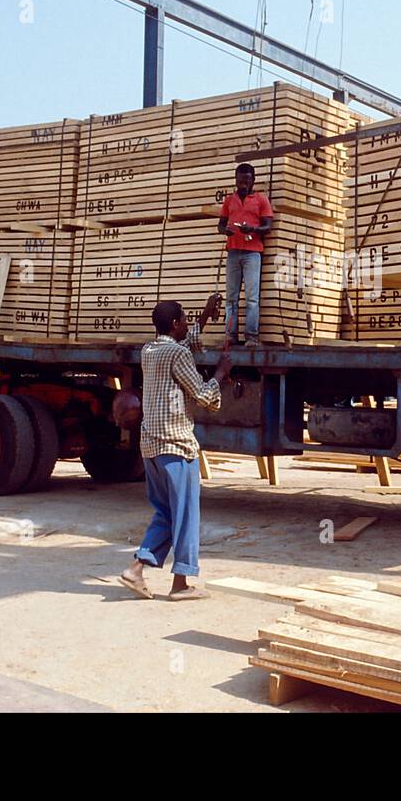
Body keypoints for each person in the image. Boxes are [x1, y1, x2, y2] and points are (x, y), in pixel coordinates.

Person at [119, 293, 231, 601]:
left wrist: (206, 316)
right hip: (176, 446)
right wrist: (220, 374)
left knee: (166, 513)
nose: (186, 323)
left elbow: (182, 345)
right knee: (186, 516)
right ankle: (181, 584)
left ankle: (136, 569)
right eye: (183, 319)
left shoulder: (150, 350)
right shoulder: (178, 355)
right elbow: (201, 395)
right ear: (174, 323)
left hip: (151, 447)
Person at [216, 163, 274, 345]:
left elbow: (268, 226)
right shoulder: (229, 201)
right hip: (233, 252)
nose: (244, 184)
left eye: (247, 180)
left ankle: (251, 336)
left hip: (252, 254)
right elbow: (220, 224)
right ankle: (230, 335)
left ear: (253, 180)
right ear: (236, 180)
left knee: (251, 297)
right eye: (241, 180)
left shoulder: (261, 200)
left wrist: (253, 229)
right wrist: (225, 231)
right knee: (231, 297)